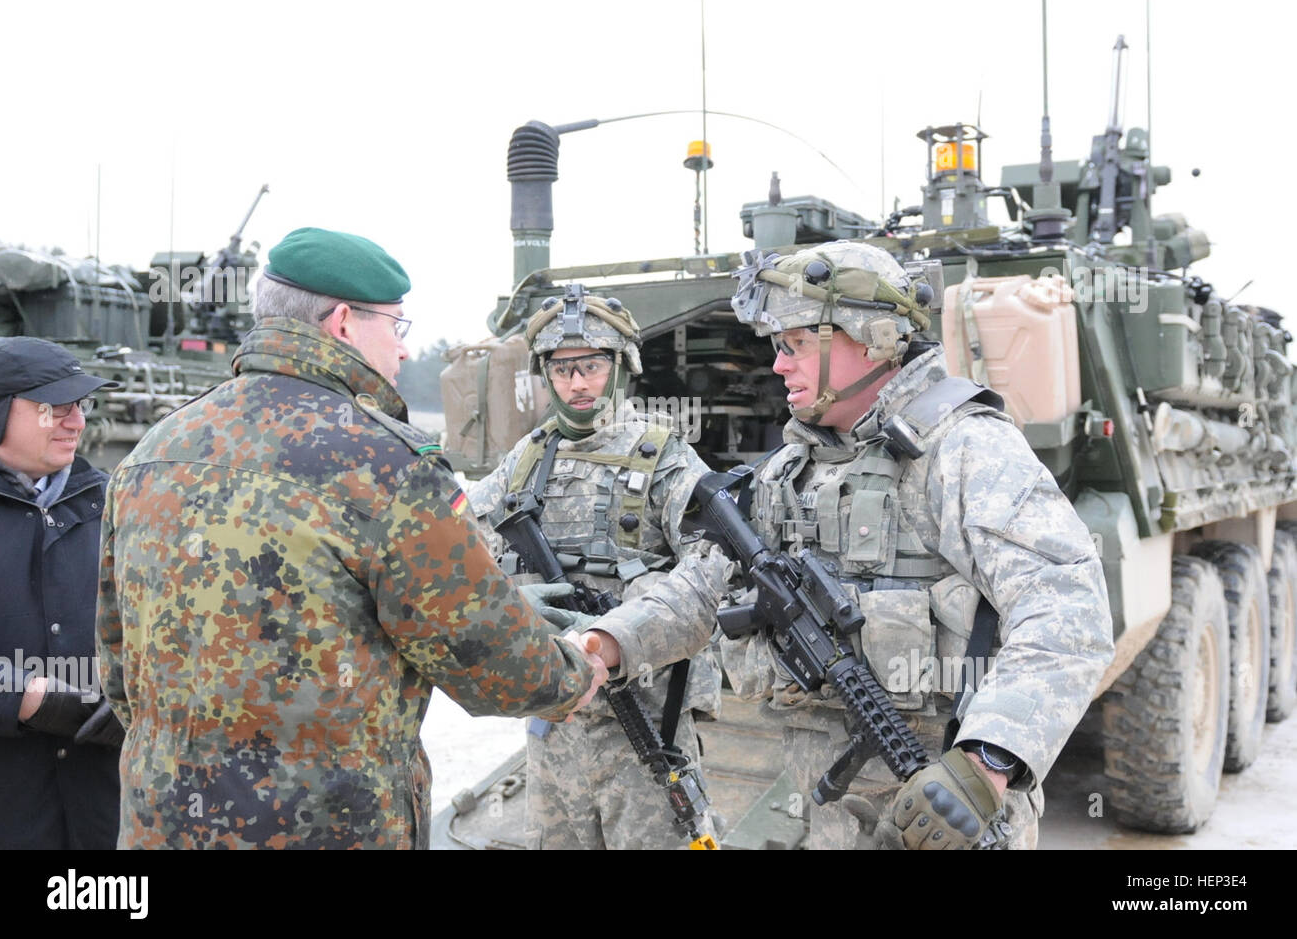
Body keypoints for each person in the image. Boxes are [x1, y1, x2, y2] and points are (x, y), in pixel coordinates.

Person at [588, 240, 1114, 849]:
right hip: (830, 815)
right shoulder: (788, 471)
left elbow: (1068, 611)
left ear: (870, 339)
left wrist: (987, 763)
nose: (780, 366)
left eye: (797, 345)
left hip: (947, 816)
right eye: (778, 348)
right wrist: (605, 645)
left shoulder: (963, 450)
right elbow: (698, 590)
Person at [95, 227, 605, 850]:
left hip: (162, 825)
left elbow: (118, 664)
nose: (402, 351)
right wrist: (579, 669)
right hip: (326, 828)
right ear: (342, 322)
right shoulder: (383, 464)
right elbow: (495, 664)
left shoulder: (154, 451)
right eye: (396, 327)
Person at [467, 284, 726, 850]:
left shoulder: (665, 457)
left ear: (621, 366)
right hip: (554, 724)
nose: (576, 384)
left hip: (647, 724)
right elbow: (459, 542)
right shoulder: (528, 458)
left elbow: (714, 576)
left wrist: (618, 637)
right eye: (561, 370)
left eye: (590, 366)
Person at [0, 337, 125, 849]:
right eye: (54, 407)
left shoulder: (124, 508)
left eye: (82, 405)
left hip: (107, 816)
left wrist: (136, 697)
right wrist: (22, 698)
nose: (77, 422)